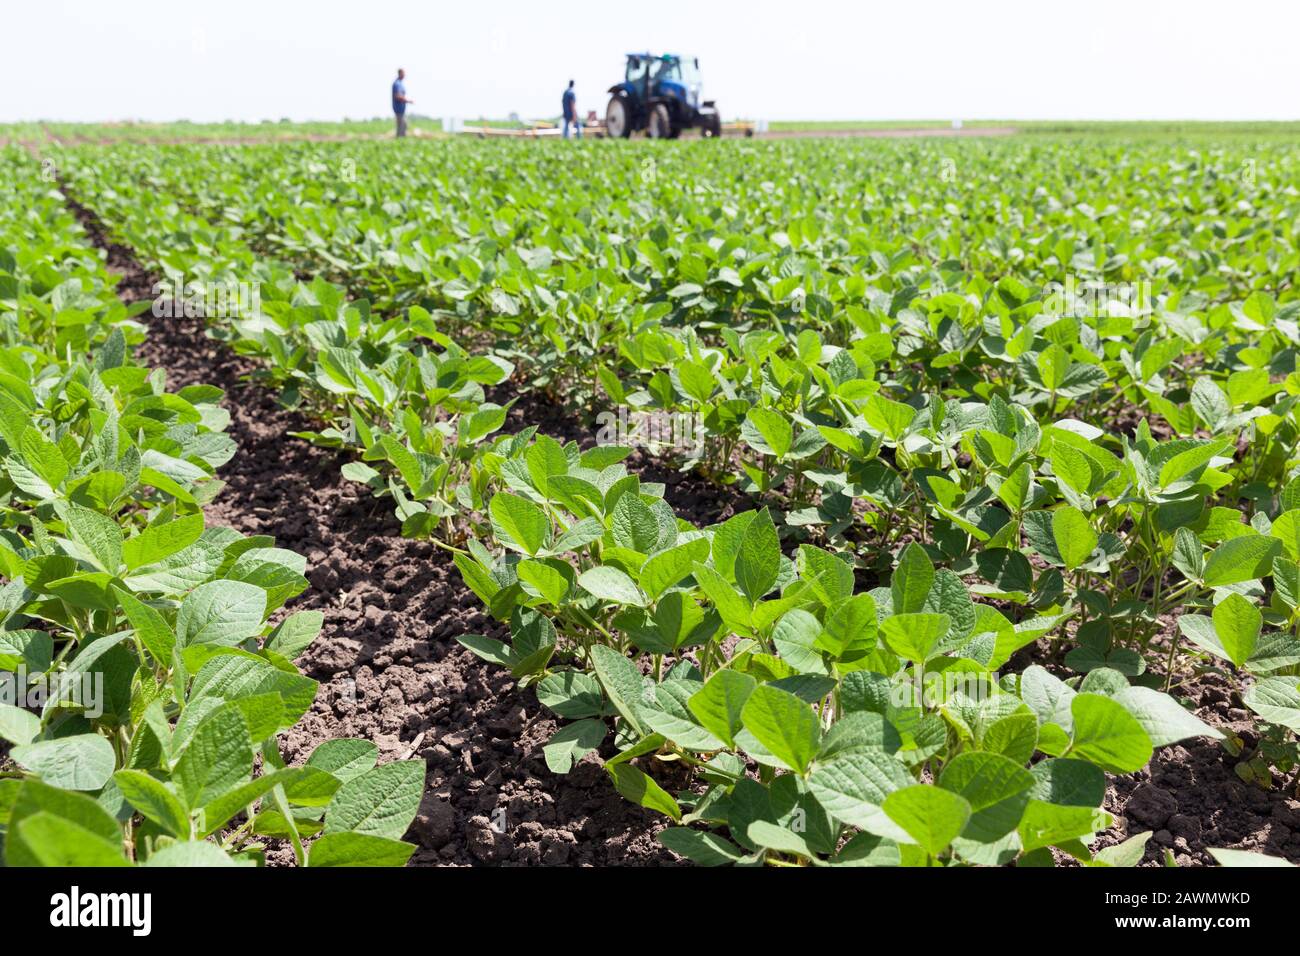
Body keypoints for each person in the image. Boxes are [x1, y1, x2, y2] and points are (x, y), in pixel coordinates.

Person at [392, 68, 414, 138]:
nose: (404, 75)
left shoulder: (400, 83)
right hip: (398, 108)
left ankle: (401, 139)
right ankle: (400, 140)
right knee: (401, 126)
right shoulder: (397, 84)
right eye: (403, 73)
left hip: (401, 109)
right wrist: (407, 101)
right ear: (400, 73)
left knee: (403, 125)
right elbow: (397, 96)